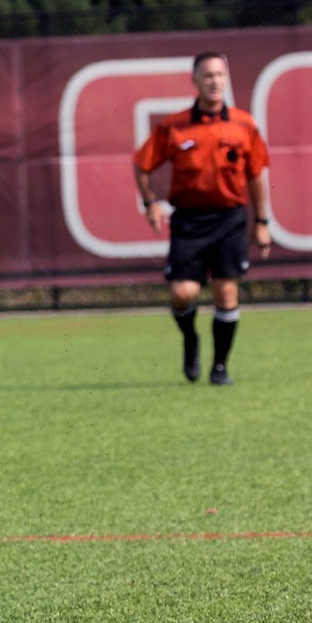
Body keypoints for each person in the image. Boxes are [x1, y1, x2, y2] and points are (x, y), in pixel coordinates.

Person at [133, 50, 272, 385]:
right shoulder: (174, 126)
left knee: (226, 294)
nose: (215, 81)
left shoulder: (244, 123)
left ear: (227, 79)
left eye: (220, 75)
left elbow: (257, 175)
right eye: (208, 75)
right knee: (183, 293)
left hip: (230, 219)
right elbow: (142, 164)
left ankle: (220, 366)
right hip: (190, 221)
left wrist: (262, 222)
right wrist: (151, 202)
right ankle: (190, 338)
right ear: (194, 80)